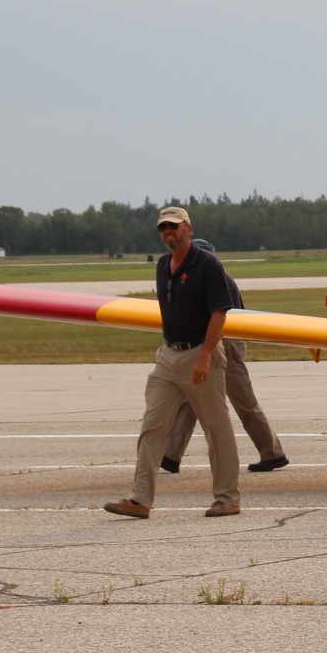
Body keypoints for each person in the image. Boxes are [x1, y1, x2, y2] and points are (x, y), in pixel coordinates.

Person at [103, 208, 242, 519]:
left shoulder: (207, 264)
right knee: (152, 426)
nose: (168, 232)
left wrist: (205, 356)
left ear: (188, 229)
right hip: (168, 356)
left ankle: (227, 498)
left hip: (200, 354)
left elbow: (220, 312)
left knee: (216, 430)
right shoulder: (164, 264)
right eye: (163, 228)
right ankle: (140, 499)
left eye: (174, 227)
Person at [158, 240, 289, 476]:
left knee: (243, 401)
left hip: (225, 343)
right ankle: (170, 455)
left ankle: (272, 453)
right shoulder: (214, 277)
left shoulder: (214, 278)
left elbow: (219, 315)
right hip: (212, 342)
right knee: (191, 399)